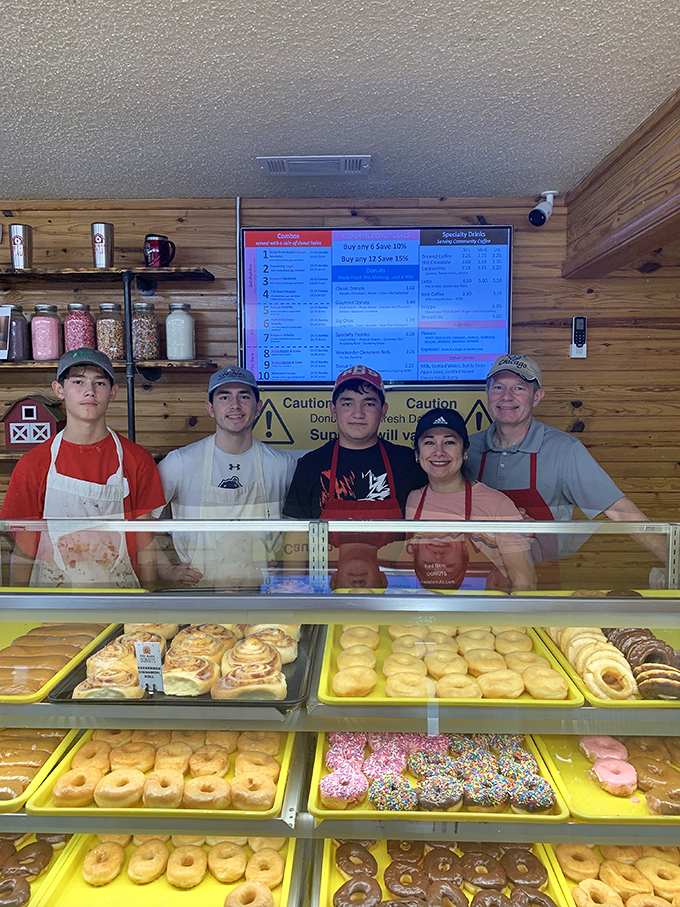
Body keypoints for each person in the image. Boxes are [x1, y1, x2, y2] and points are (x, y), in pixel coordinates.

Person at [464, 353, 666, 577]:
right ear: (488, 393)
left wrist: (671, 559)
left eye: (519, 388)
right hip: (476, 579)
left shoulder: (563, 449)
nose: (506, 397)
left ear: (537, 397)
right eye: (499, 387)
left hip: (543, 581)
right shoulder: (467, 449)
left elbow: (620, 512)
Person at [0, 348, 165, 588]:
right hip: (52, 605)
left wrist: (148, 606)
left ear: (113, 392)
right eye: (78, 381)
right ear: (59, 390)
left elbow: (145, 547)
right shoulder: (33, 464)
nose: (90, 391)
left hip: (121, 602)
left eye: (99, 382)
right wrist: (22, 610)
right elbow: (24, 552)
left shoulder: (136, 460)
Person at [157, 365, 297, 588]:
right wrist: (166, 571)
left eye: (244, 396)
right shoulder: (180, 463)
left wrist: (288, 568)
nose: (235, 405)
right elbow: (143, 523)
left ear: (258, 406)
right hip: (198, 592)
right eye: (225, 397)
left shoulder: (282, 465)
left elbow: (299, 529)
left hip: (264, 592)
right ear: (210, 408)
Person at [405, 408, 535, 592]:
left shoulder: (497, 504)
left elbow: (524, 582)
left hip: (486, 613)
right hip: (427, 611)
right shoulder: (413, 499)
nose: (439, 452)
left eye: (449, 442)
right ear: (417, 454)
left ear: (465, 451)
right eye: (429, 442)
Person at [283, 365, 425, 530]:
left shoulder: (407, 462)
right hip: (328, 557)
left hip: (392, 557)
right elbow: (296, 535)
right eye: (347, 403)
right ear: (333, 410)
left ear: (383, 411)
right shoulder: (310, 464)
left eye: (369, 404)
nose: (358, 413)